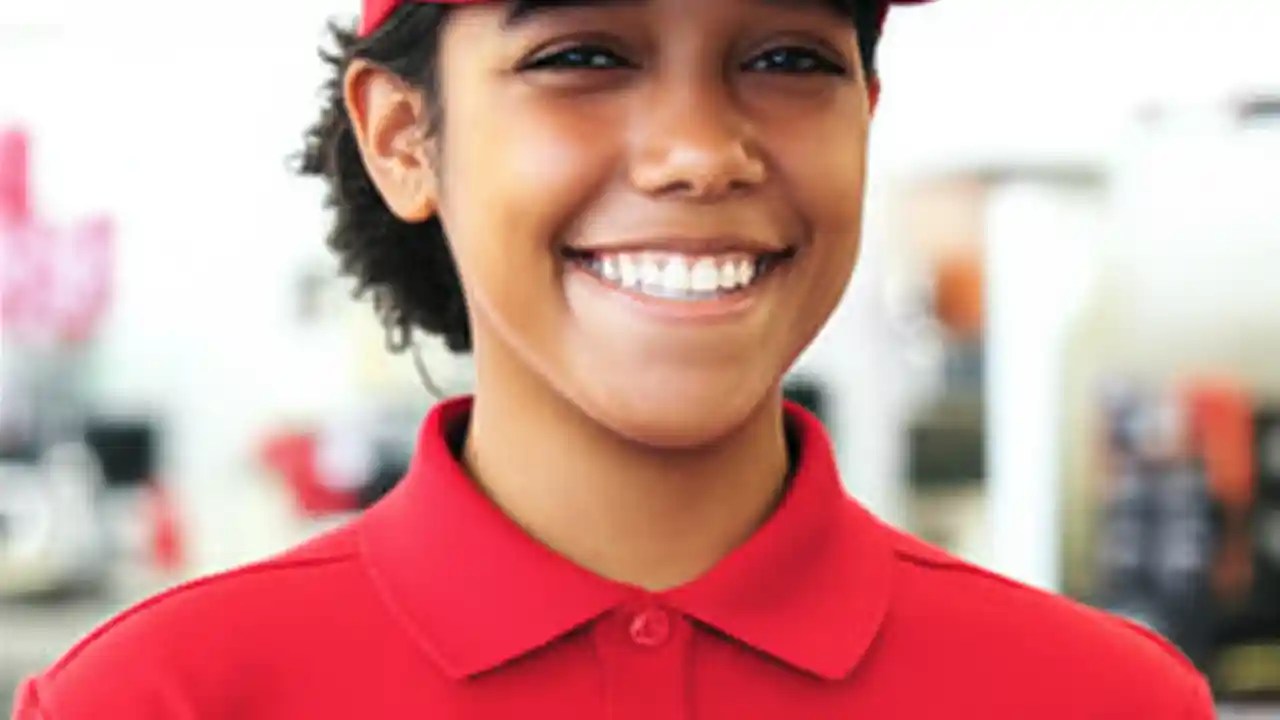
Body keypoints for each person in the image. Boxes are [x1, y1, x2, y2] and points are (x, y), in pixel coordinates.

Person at [13, 1, 1216, 718]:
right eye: (581, 54)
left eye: (788, 57)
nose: (699, 153)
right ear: (402, 137)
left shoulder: (1097, 701)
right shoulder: (163, 703)